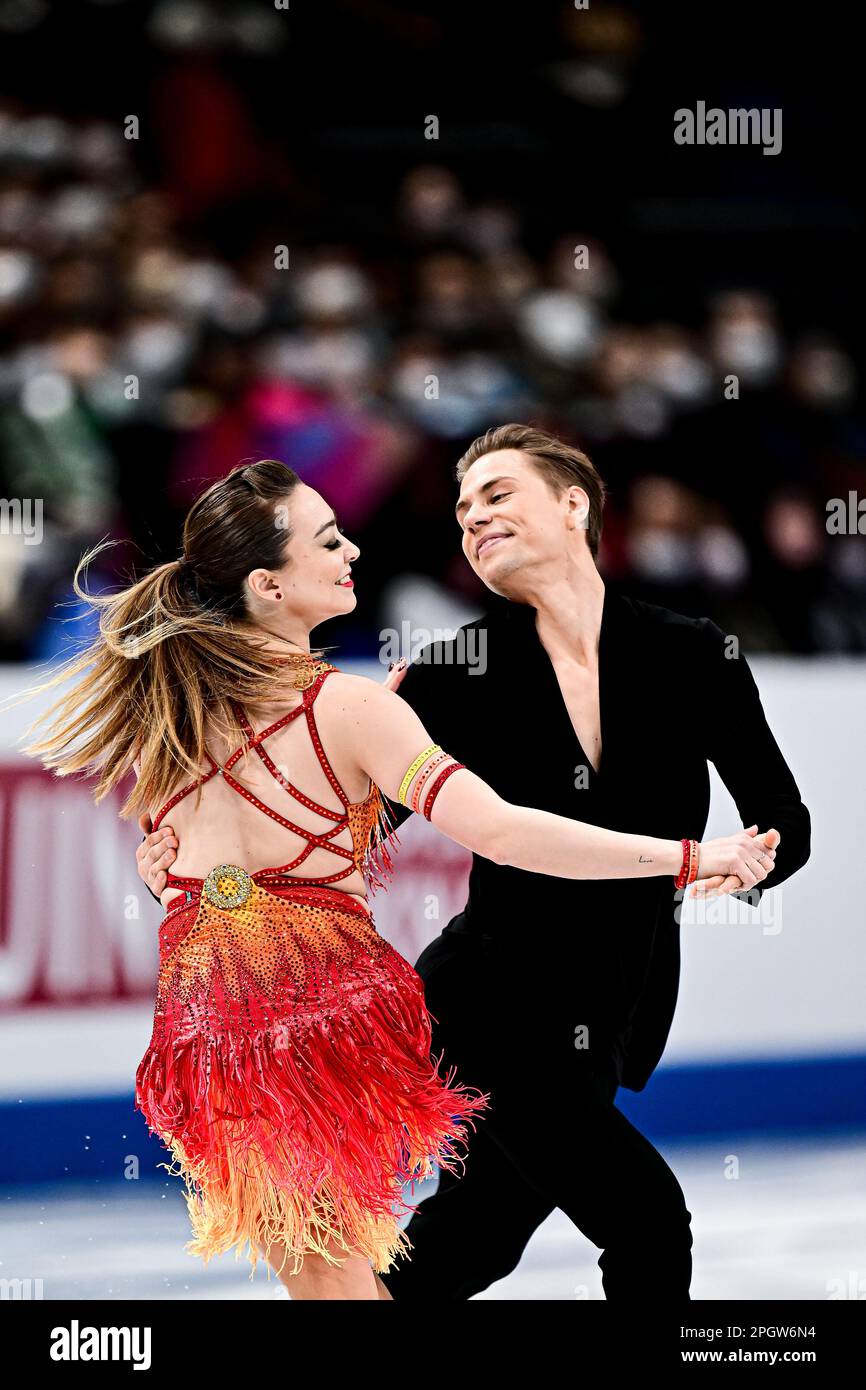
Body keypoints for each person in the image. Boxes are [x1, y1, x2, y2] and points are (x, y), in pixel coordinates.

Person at [102, 455, 779, 1302]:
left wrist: (171, 873)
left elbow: (187, 874)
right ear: (269, 586)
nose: (352, 549)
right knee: (355, 1276)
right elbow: (501, 831)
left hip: (211, 1023)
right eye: (327, 540)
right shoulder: (350, 707)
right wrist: (685, 855)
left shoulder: (173, 716)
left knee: (335, 1274)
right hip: (321, 1011)